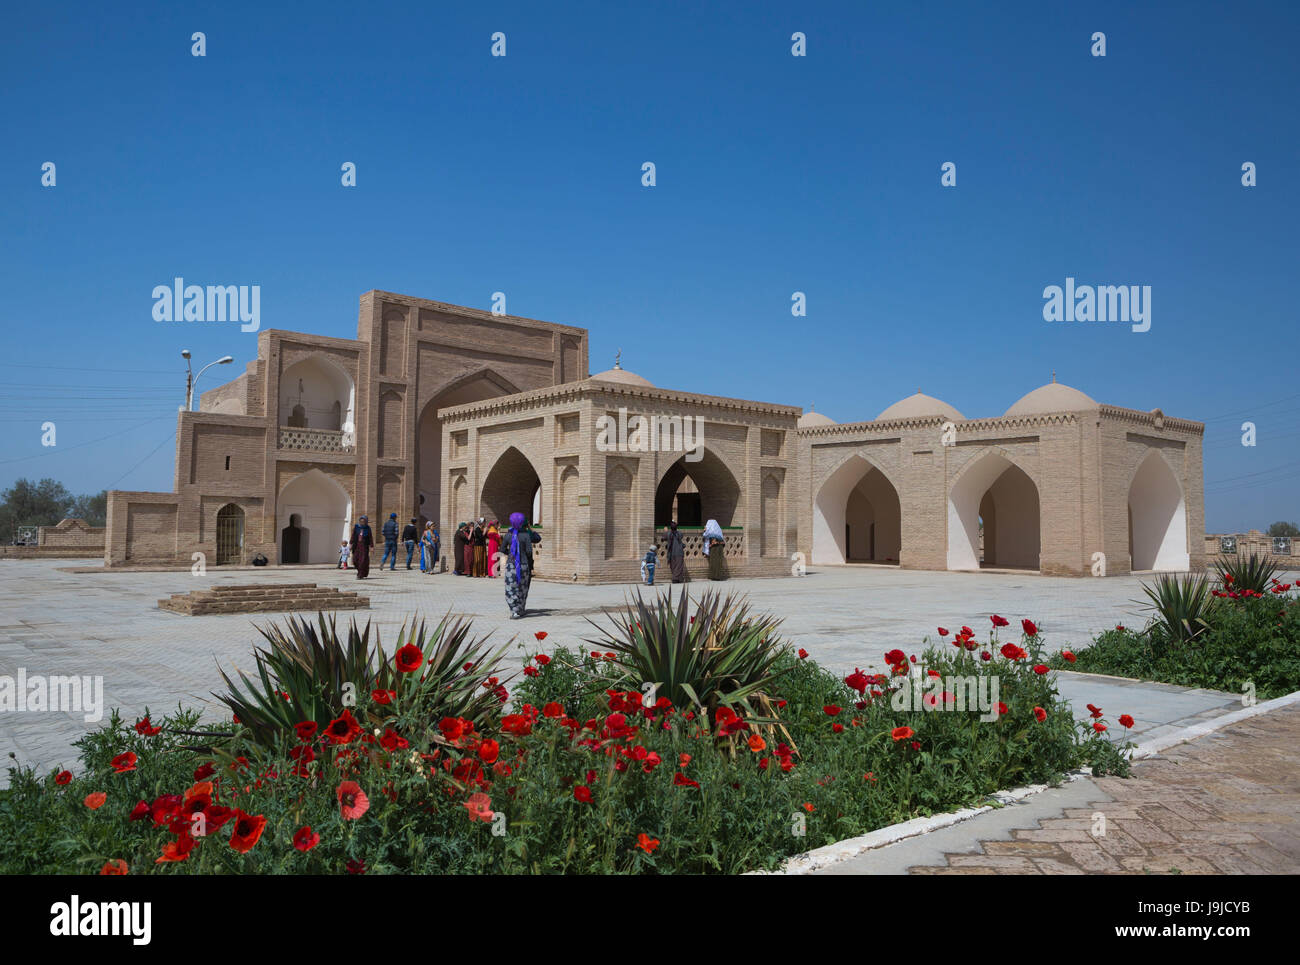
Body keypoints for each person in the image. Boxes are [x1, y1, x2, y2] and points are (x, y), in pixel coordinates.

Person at [504, 511, 542, 618]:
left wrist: (513, 554)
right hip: (525, 564)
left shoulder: (508, 534)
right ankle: (521, 608)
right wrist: (530, 528)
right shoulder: (527, 535)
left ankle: (514, 609)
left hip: (511, 565)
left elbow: (502, 549)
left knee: (511, 587)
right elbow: (537, 540)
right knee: (523, 586)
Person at [349, 515, 374, 580]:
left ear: (366, 522)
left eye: (363, 521)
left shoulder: (368, 528)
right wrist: (351, 543)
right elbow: (353, 535)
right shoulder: (356, 527)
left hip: (364, 547)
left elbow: (370, 538)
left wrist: (371, 546)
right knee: (355, 560)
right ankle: (360, 571)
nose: (362, 522)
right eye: (361, 521)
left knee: (362, 561)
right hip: (356, 546)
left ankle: (360, 574)